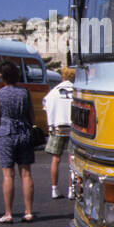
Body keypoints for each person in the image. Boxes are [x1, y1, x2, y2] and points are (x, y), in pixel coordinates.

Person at [0, 61, 36, 223]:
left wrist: (0, 128)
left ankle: (8, 213)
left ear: (1, 75)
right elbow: (32, 117)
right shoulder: (25, 93)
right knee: (26, 173)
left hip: (6, 133)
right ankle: (29, 211)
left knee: (8, 175)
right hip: (24, 132)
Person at [42, 67, 76, 198]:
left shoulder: (53, 92)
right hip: (73, 128)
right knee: (72, 159)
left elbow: (47, 108)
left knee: (55, 159)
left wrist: (50, 125)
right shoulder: (77, 91)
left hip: (58, 126)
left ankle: (54, 189)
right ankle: (71, 189)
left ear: (62, 77)